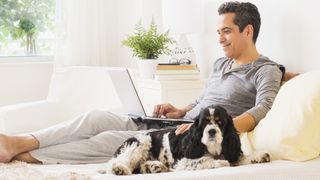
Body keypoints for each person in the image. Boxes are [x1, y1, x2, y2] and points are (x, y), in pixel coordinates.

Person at [0, 1, 283, 164]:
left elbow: (261, 110)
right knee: (95, 117)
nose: (220, 38)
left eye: (226, 31)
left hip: (189, 137)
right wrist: (180, 110)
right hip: (177, 123)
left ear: (248, 31)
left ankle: (29, 157)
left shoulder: (266, 70)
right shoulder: (222, 63)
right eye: (219, 32)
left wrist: (202, 126)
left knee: (110, 141)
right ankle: (18, 142)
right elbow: (201, 102)